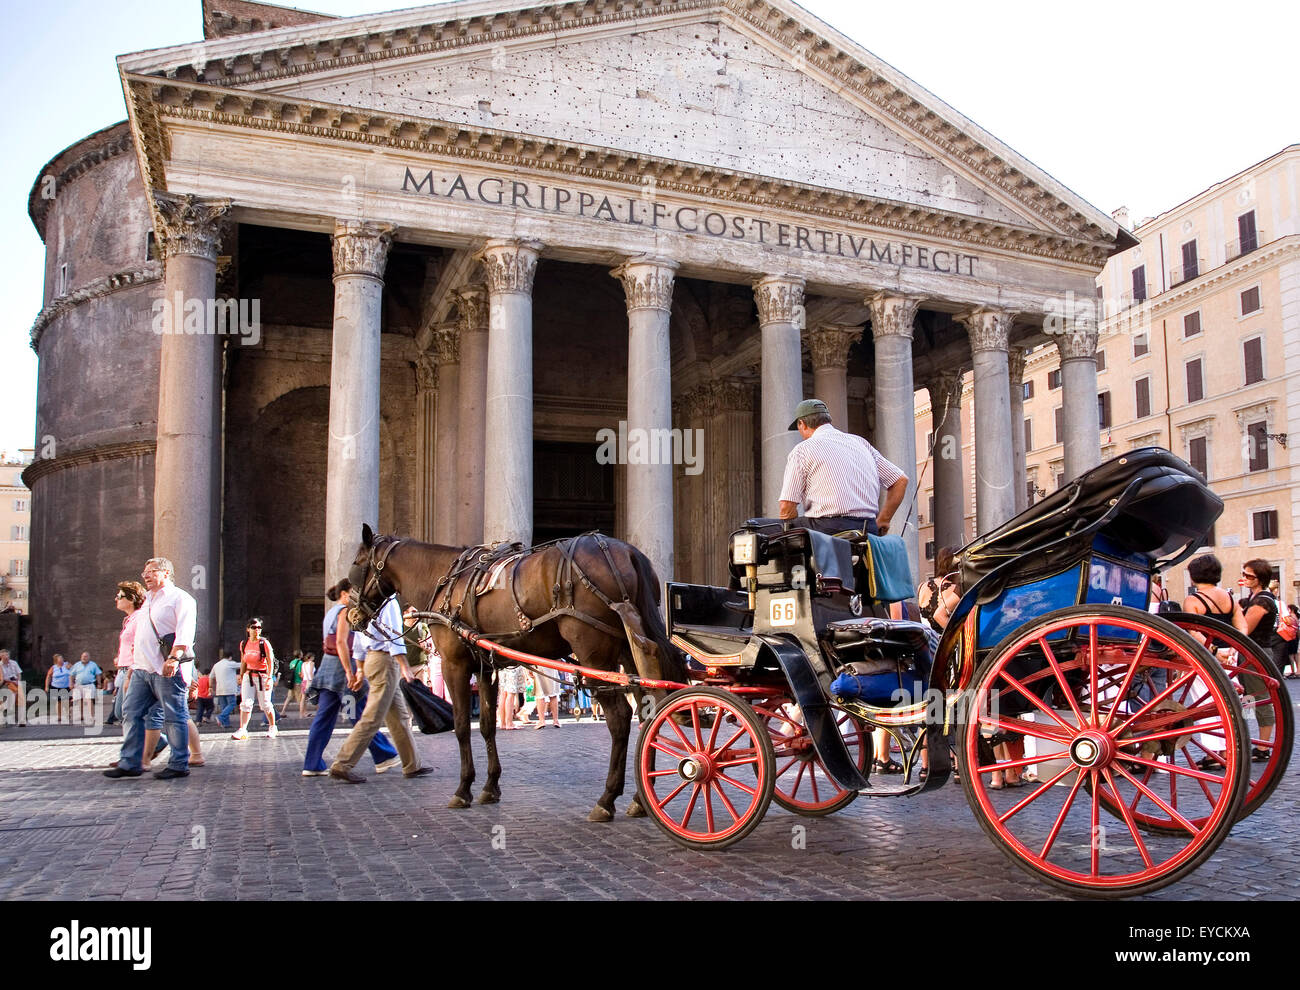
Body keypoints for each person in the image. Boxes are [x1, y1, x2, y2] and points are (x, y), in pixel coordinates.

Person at [104, 556, 195, 780]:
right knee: (130, 712)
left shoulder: (180, 598)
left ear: (166, 573)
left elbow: (185, 633)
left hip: (166, 669)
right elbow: (142, 637)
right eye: (144, 572)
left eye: (152, 571)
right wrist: (133, 668)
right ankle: (130, 762)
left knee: (174, 717)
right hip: (142, 669)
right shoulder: (147, 600)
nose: (146, 576)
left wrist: (174, 659)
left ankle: (179, 763)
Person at [328, 591, 432, 783]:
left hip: (372, 659)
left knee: (399, 716)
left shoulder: (365, 602)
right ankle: (342, 764)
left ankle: (412, 765)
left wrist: (359, 668)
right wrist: (404, 666)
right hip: (385, 661)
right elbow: (393, 636)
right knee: (372, 717)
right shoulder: (388, 601)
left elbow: (358, 638)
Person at [302, 580, 400, 777]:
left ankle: (312, 763)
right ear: (345, 595)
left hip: (328, 670)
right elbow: (340, 642)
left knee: (326, 717)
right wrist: (350, 671)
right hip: (341, 671)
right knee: (359, 713)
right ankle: (384, 755)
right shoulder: (345, 611)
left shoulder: (330, 612)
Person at [777, 398, 908, 536]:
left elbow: (786, 507)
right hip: (867, 529)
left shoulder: (803, 449)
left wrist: (789, 537)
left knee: (757, 527)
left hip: (827, 529)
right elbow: (900, 480)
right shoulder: (860, 442)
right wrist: (883, 520)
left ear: (801, 424)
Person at [1238, 559, 1279, 761]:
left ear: (1260, 579)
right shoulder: (1253, 598)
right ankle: (1254, 738)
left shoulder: (1262, 601)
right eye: (1244, 574)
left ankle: (1263, 747)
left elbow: (1245, 629)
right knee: (1249, 698)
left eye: (1249, 576)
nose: (1244, 578)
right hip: (1250, 653)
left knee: (1260, 698)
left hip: (1257, 653)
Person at [231, 618, 278, 740]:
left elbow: (270, 661)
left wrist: (269, 677)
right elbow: (243, 661)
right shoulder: (244, 643)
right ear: (248, 629)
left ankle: (273, 726)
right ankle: (243, 729)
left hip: (262, 676)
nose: (256, 630)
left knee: (265, 704)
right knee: (245, 703)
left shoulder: (264, 643)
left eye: (259, 628)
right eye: (253, 627)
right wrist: (241, 676)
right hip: (249, 675)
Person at [69, 651, 102, 724]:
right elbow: (71, 674)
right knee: (79, 700)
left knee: (89, 700)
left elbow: (98, 674)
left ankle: (91, 716)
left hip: (89, 684)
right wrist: (71, 683)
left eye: (86, 656)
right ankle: (81, 716)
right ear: (81, 657)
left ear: (89, 657)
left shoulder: (93, 664)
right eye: (83, 656)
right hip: (78, 685)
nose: (84, 657)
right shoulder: (77, 665)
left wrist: (99, 683)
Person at [45, 654, 72, 724]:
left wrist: (70, 669)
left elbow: (74, 672)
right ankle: (59, 716)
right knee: (58, 701)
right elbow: (48, 677)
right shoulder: (53, 667)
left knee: (67, 701)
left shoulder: (67, 664)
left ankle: (67, 713)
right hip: (55, 686)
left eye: (62, 658)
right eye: (60, 659)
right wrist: (46, 686)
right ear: (56, 660)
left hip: (66, 686)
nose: (61, 660)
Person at [1, 649, 24, 725]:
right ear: (1, 656)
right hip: (6, 684)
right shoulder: (0, 665)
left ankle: (21, 721)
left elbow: (19, 674)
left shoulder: (14, 663)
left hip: (16, 683)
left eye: (8, 655)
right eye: (5, 655)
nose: (7, 657)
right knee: (8, 702)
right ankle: (5, 718)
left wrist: (19, 682)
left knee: (21, 701)